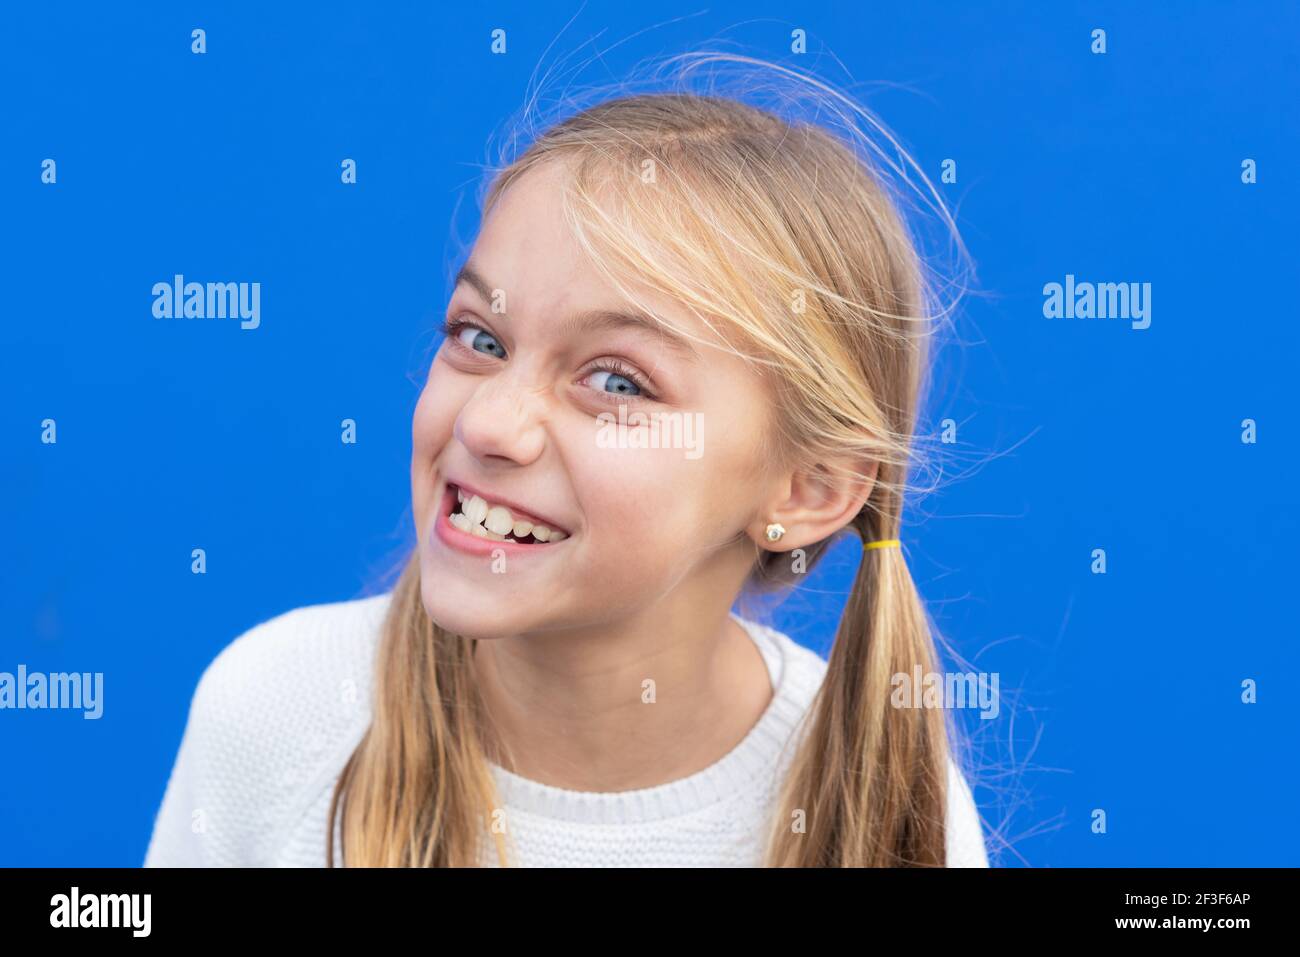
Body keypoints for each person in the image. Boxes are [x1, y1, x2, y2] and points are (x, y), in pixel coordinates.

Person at [145, 53, 990, 868]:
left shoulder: (896, 811)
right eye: (480, 338)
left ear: (808, 490)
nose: (489, 422)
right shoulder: (277, 709)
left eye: (616, 379)